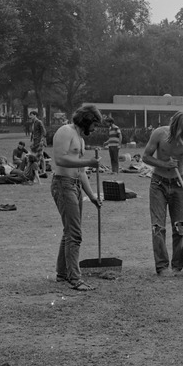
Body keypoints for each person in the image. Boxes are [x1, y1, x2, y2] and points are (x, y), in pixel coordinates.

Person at [142, 110, 183, 277]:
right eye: (182, 132)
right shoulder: (160, 134)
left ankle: (177, 266)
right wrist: (163, 163)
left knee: (181, 227)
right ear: (174, 127)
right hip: (158, 183)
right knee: (158, 226)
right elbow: (145, 157)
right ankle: (162, 267)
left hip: (179, 185)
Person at [50, 104, 104, 291]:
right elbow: (60, 159)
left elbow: (80, 171)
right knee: (75, 233)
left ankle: (62, 273)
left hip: (74, 186)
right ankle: (75, 278)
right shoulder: (65, 132)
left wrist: (92, 196)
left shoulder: (79, 139)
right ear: (87, 120)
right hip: (63, 184)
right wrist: (89, 161)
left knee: (69, 231)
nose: (95, 129)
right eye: (94, 124)